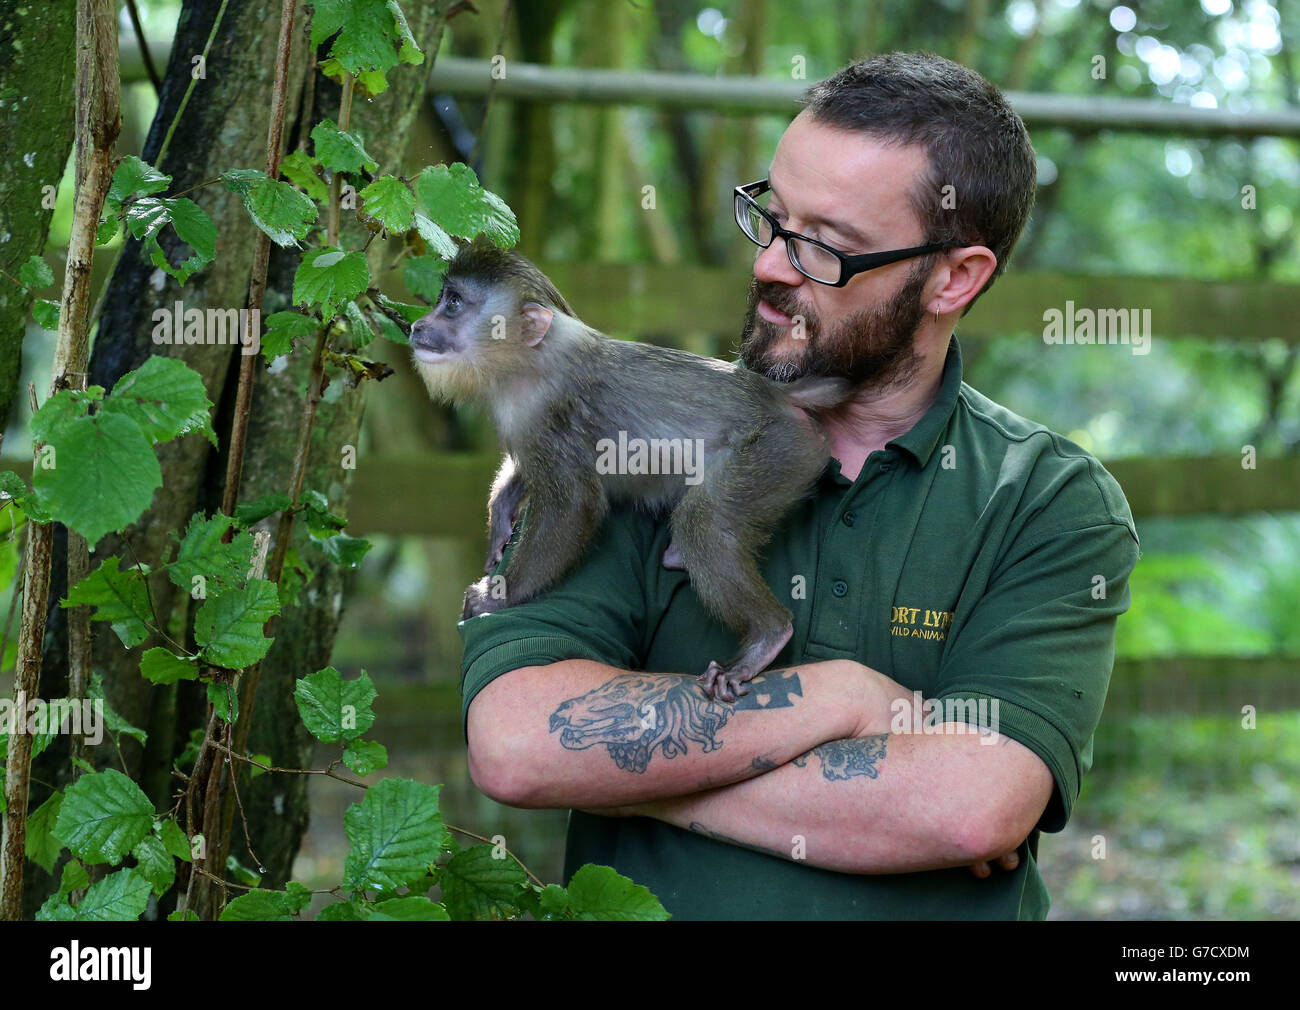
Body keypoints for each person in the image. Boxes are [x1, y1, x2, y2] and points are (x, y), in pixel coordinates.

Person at [457, 51, 1140, 920]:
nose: (773, 266)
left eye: (823, 246)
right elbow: (519, 747)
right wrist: (844, 700)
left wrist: (620, 781)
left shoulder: (1045, 501)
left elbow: (971, 808)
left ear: (955, 278)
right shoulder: (627, 429)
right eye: (770, 219)